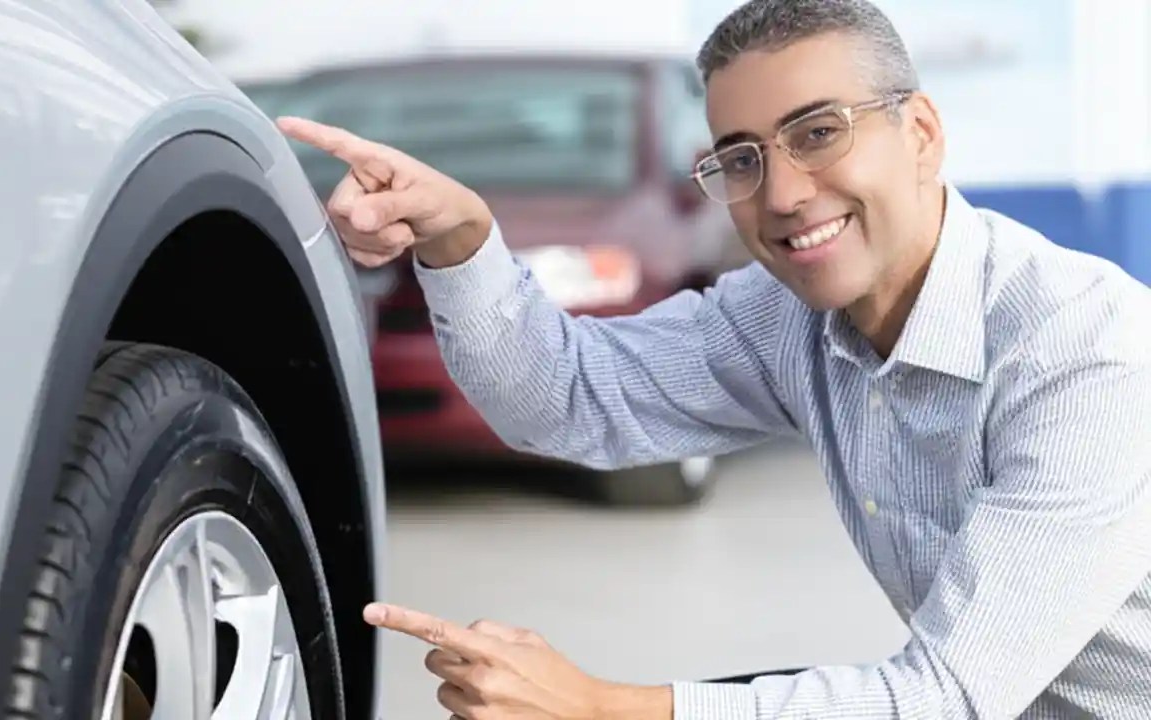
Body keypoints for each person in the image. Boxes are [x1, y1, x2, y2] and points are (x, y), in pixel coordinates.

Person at [277, 0, 1151, 717]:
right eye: (743, 157)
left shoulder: (1086, 353)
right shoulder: (787, 320)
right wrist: (461, 241)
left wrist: (598, 706)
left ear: (921, 132)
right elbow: (568, 398)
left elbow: (946, 698)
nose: (781, 195)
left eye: (818, 132)